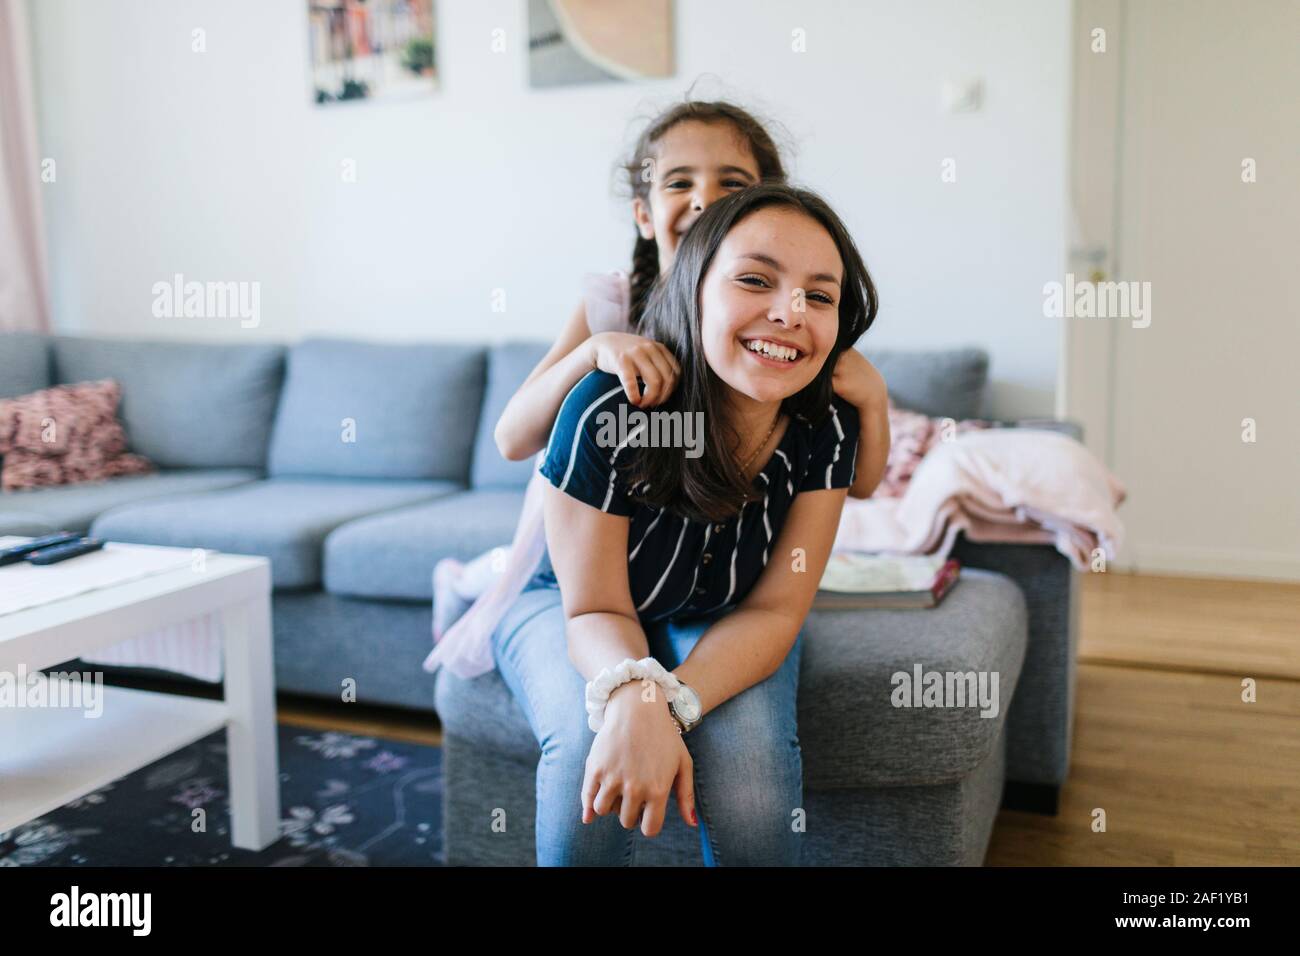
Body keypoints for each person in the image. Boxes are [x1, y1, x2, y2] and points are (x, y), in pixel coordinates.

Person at [424, 98, 890, 679]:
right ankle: (464, 583)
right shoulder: (611, 307)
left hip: (682, 556)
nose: (702, 198)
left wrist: (874, 400)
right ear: (643, 214)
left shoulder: (787, 332)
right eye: (679, 182)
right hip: (582, 526)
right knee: (510, 573)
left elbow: (857, 480)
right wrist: (591, 352)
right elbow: (512, 439)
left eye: (731, 182)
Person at [494, 183, 880, 865]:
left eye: (819, 296)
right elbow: (594, 609)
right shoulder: (610, 408)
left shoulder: (827, 425)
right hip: (568, 604)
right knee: (591, 742)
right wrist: (630, 693)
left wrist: (666, 703)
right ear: (692, 289)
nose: (789, 312)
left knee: (752, 768)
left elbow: (776, 610)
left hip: (724, 612)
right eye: (755, 280)